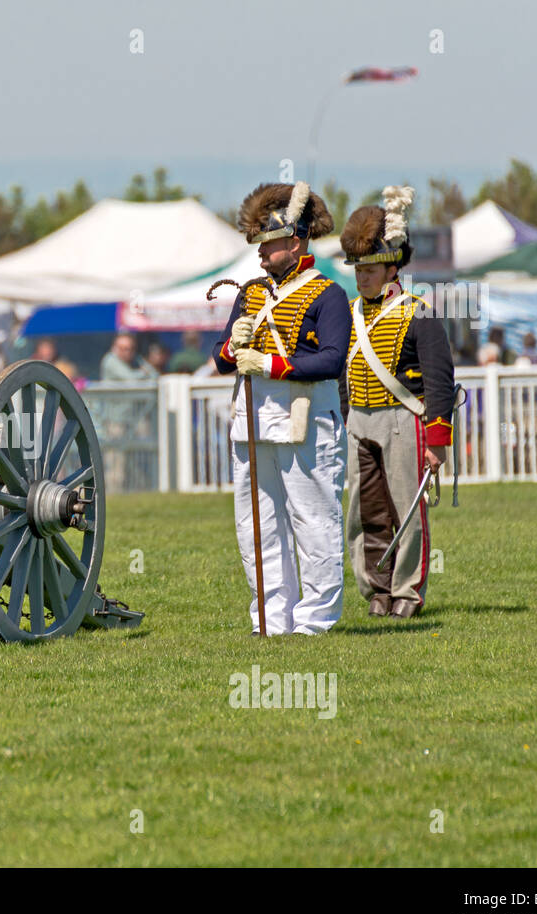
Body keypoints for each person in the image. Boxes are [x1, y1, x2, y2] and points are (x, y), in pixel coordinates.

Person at [211, 181, 349, 636]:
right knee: (258, 527)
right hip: (252, 423)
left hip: (306, 420)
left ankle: (314, 620)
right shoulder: (250, 293)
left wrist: (267, 362)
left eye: (267, 243)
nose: (260, 252)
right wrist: (235, 346)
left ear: (294, 241)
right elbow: (220, 359)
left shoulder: (328, 294)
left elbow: (331, 359)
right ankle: (271, 617)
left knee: (313, 523)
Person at [338, 188, 456, 620]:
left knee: (407, 511)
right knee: (365, 511)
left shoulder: (418, 311)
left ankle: (407, 590)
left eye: (370, 268)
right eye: (358, 268)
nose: (362, 277)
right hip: (360, 422)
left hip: (404, 419)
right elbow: (343, 376)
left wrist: (438, 437)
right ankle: (376, 589)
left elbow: (440, 378)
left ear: (392, 267)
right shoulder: (350, 313)